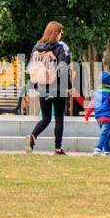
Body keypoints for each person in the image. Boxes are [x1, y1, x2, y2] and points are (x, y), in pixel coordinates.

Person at [26, 21, 71, 155]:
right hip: (58, 88)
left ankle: (32, 136)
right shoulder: (58, 48)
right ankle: (57, 148)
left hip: (42, 88)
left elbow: (31, 68)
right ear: (56, 33)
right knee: (59, 118)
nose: (61, 35)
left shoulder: (36, 47)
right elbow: (63, 69)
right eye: (61, 32)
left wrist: (34, 85)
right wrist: (68, 86)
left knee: (45, 118)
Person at [84, 71, 110, 155]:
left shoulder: (96, 94)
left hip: (98, 118)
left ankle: (107, 150)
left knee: (106, 134)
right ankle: (98, 149)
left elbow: (91, 106)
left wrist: (86, 116)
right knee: (104, 133)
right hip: (107, 118)